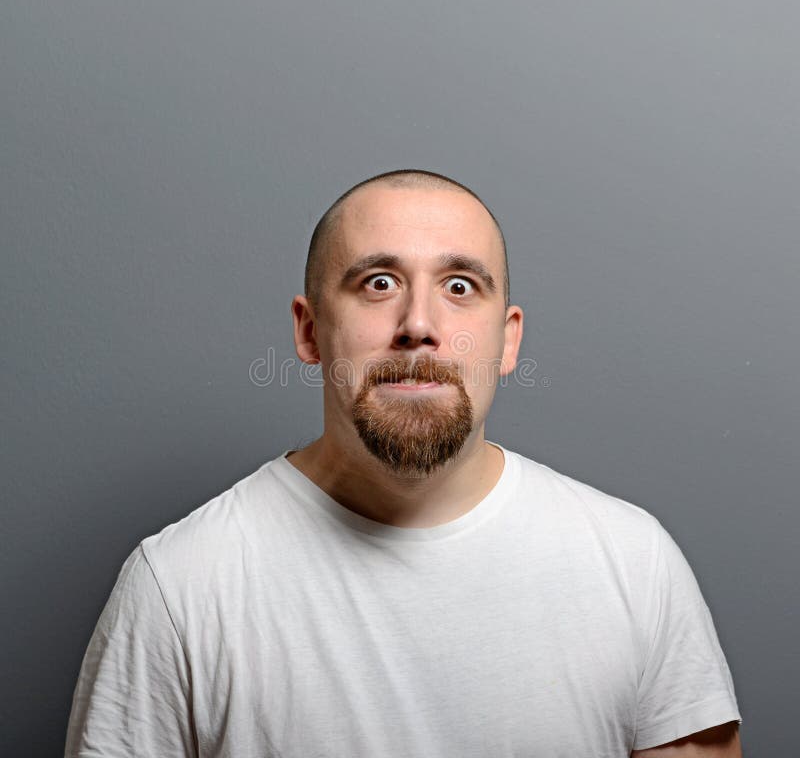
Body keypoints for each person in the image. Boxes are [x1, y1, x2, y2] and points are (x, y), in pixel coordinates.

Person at [65, 169, 742, 757]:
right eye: (378, 282)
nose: (418, 322)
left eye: (459, 286)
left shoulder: (635, 564)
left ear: (508, 341)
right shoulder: (179, 587)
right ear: (309, 331)